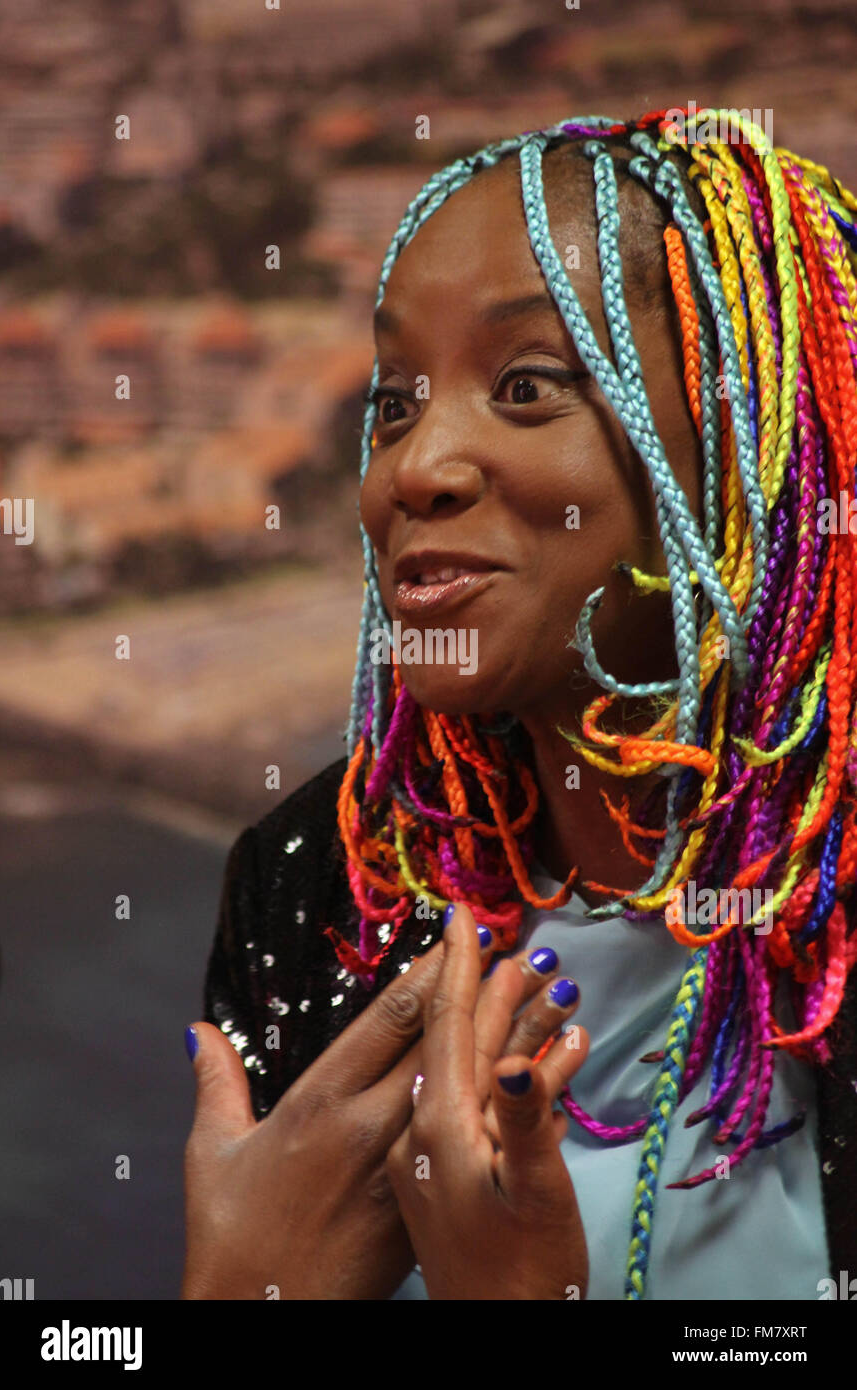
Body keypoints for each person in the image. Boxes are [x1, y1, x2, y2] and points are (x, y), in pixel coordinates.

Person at [182, 107, 857, 1301]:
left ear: (747, 442)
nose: (412, 468)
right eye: (394, 399)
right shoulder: (316, 883)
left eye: (526, 383)